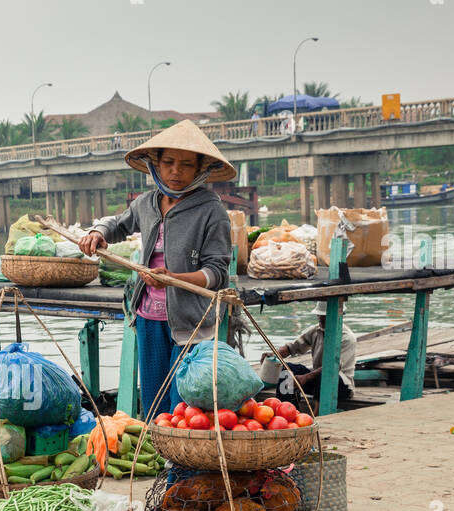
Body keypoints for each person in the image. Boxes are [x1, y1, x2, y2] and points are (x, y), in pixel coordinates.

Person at [78, 120, 238, 420]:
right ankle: (158, 460)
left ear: (200, 169)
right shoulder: (147, 203)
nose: (176, 171)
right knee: (153, 403)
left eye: (186, 165)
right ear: (157, 164)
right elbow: (118, 223)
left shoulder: (211, 210)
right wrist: (97, 232)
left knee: (184, 404)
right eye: (168, 163)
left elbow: (217, 273)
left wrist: (175, 279)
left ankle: (182, 465)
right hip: (148, 317)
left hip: (190, 322)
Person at [271, 301, 358, 411]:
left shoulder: (347, 338)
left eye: (325, 316)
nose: (321, 319)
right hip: (317, 381)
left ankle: (317, 416)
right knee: (287, 369)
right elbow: (292, 347)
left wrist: (305, 378)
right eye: (320, 316)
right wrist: (273, 355)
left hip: (340, 386)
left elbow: (333, 367)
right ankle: (287, 410)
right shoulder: (316, 330)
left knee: (326, 375)